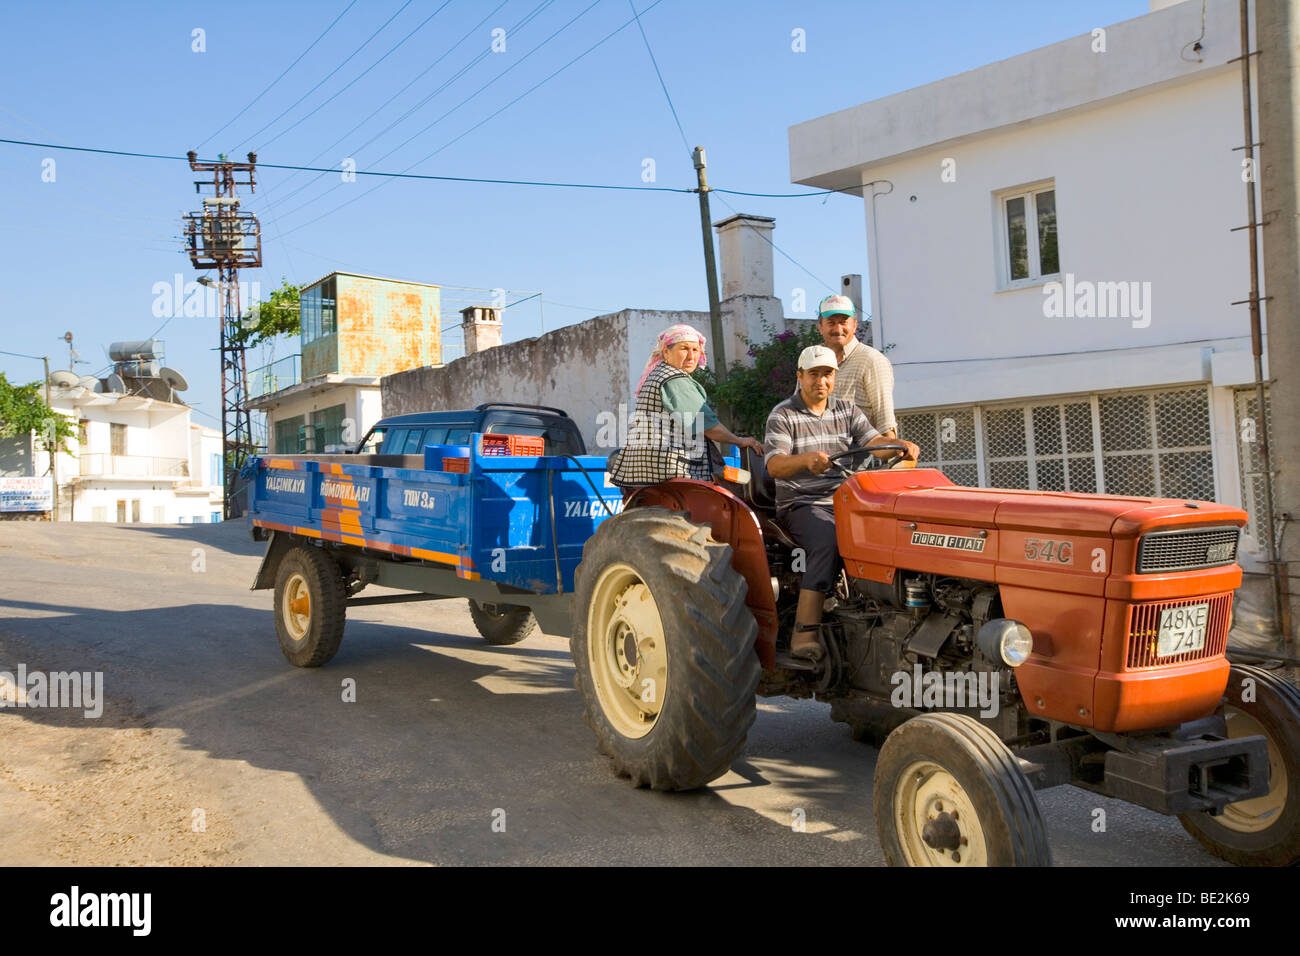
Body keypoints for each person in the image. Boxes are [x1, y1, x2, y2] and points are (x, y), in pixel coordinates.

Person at [765, 345, 919, 661]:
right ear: (800, 376)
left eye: (827, 374)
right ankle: (804, 633)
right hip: (801, 503)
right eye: (814, 374)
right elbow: (775, 465)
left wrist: (897, 446)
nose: (821, 381)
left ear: (834, 377)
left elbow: (874, 444)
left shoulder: (847, 411)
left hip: (845, 500)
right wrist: (806, 461)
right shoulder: (783, 415)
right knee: (827, 539)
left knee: (894, 533)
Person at [607, 324, 763, 489]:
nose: (691, 356)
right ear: (666, 352)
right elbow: (708, 426)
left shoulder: (658, 374)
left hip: (650, 469)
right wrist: (740, 441)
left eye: (695, 350)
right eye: (684, 349)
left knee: (739, 478)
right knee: (746, 483)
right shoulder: (675, 380)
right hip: (674, 468)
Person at [817, 294, 897, 438]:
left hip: (855, 453)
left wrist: (893, 453)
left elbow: (885, 421)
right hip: (812, 452)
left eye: (843, 322)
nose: (838, 328)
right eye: (831, 323)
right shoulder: (814, 360)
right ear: (820, 327)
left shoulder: (872, 360)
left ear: (854, 326)